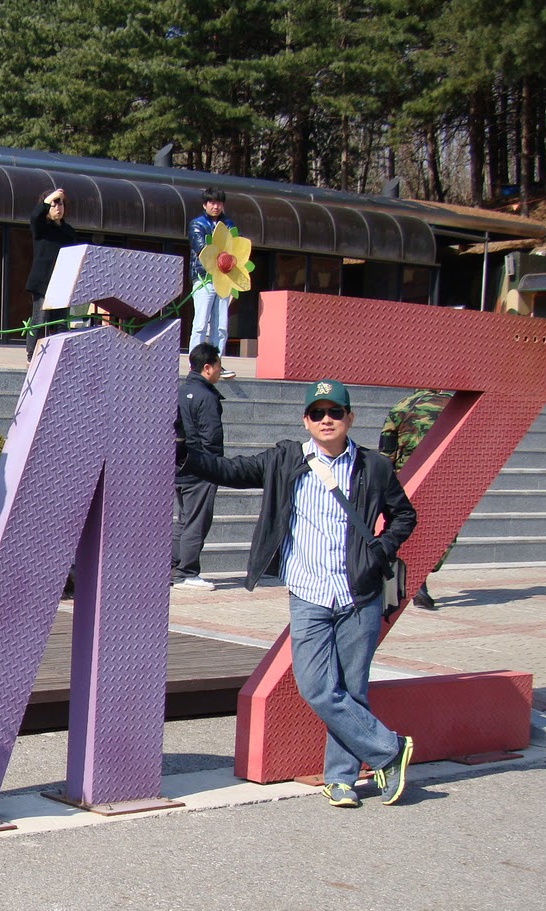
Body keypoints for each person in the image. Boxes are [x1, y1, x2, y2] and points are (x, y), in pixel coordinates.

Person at [179, 380, 418, 808]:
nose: (326, 420)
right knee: (316, 688)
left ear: (350, 418)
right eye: (317, 413)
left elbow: (404, 515)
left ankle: (341, 779)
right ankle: (389, 750)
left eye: (335, 412)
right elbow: (230, 470)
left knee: (352, 689)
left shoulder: (373, 467)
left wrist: (379, 551)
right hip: (309, 593)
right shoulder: (287, 458)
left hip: (358, 595)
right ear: (305, 420)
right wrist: (183, 453)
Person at [379, 388, 452, 609]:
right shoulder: (452, 404)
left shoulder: (402, 405)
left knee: (409, 531)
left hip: (407, 481)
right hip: (445, 480)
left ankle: (414, 580)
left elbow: (386, 453)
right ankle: (420, 578)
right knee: (444, 533)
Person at [172, 343, 227, 591]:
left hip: (179, 467)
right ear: (207, 367)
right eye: (218, 366)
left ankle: (174, 568)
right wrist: (216, 468)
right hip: (200, 468)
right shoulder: (207, 397)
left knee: (184, 520)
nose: (219, 371)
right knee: (196, 522)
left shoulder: (180, 392)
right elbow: (211, 438)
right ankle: (187, 572)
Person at [24, 186, 82, 359]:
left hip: (62, 284)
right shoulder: (41, 227)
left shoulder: (68, 231)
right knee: (39, 320)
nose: (58, 208)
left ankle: (59, 357)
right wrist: (52, 196)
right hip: (42, 283)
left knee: (61, 323)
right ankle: (30, 355)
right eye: (54, 204)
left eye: (61, 204)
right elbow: (35, 216)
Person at [187, 186, 235, 374]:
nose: (216, 206)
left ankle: (217, 363)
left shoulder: (228, 224)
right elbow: (202, 249)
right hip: (204, 279)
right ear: (204, 204)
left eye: (219, 203)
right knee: (200, 324)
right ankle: (195, 365)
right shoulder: (197, 224)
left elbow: (234, 247)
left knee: (221, 325)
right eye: (212, 202)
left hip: (223, 280)